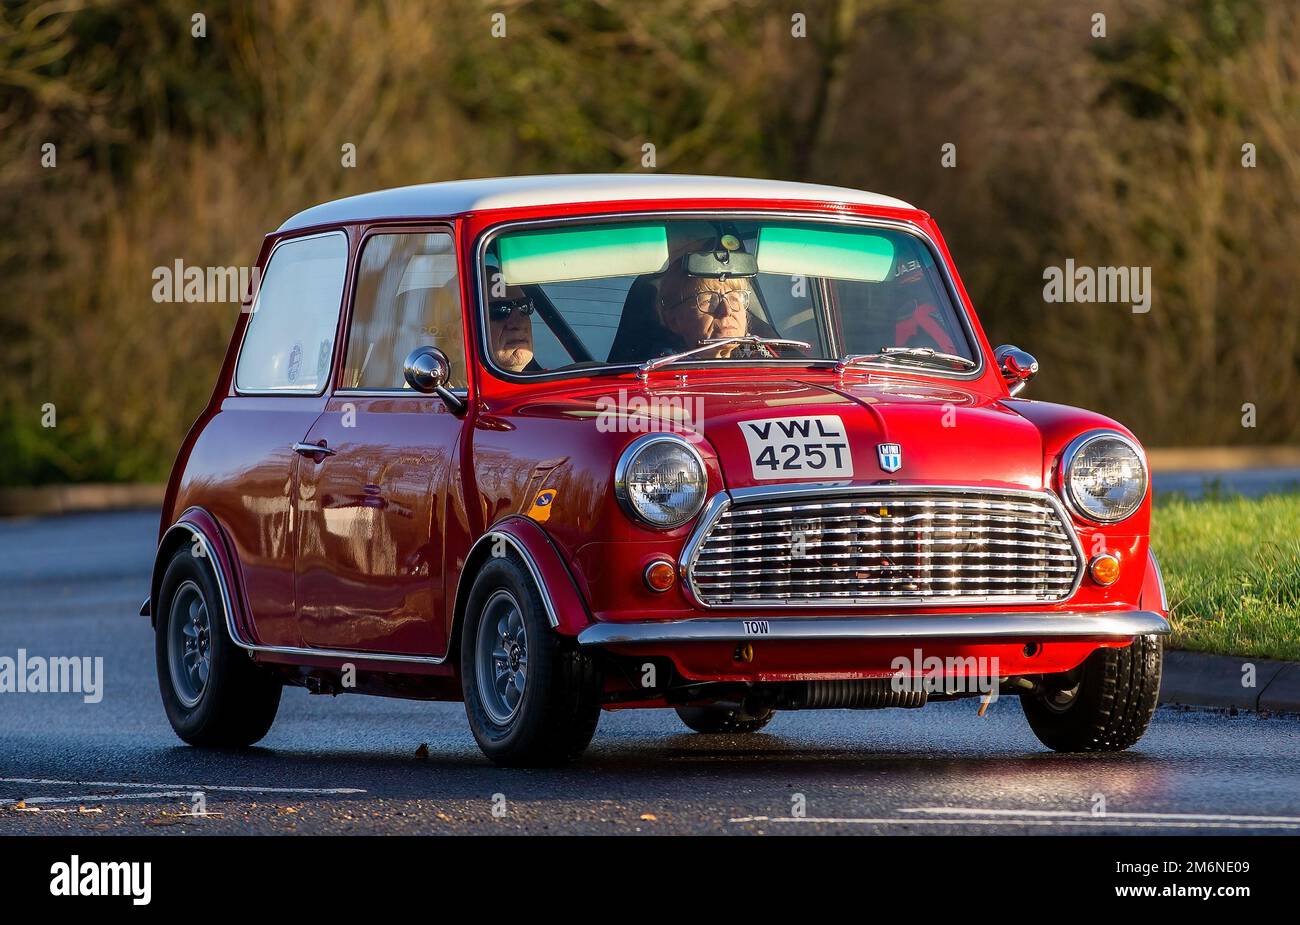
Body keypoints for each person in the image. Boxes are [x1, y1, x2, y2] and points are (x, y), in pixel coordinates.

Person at [655, 268, 754, 359]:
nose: (727, 311)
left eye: (734, 299)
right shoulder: (656, 373)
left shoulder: (763, 363)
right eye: (709, 301)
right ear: (674, 321)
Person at [487, 286, 539, 372]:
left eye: (524, 306)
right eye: (500, 310)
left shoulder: (552, 382)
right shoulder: (460, 384)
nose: (519, 324)